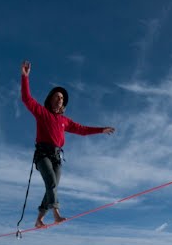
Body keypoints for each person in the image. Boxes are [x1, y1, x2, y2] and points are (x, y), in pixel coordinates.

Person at [20, 60, 115, 228]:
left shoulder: (64, 121)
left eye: (62, 98)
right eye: (57, 97)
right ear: (50, 100)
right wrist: (25, 77)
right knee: (51, 183)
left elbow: (82, 130)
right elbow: (27, 99)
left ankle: (39, 219)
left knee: (52, 186)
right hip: (42, 154)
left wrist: (101, 130)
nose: (60, 100)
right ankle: (56, 214)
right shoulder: (42, 113)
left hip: (57, 156)